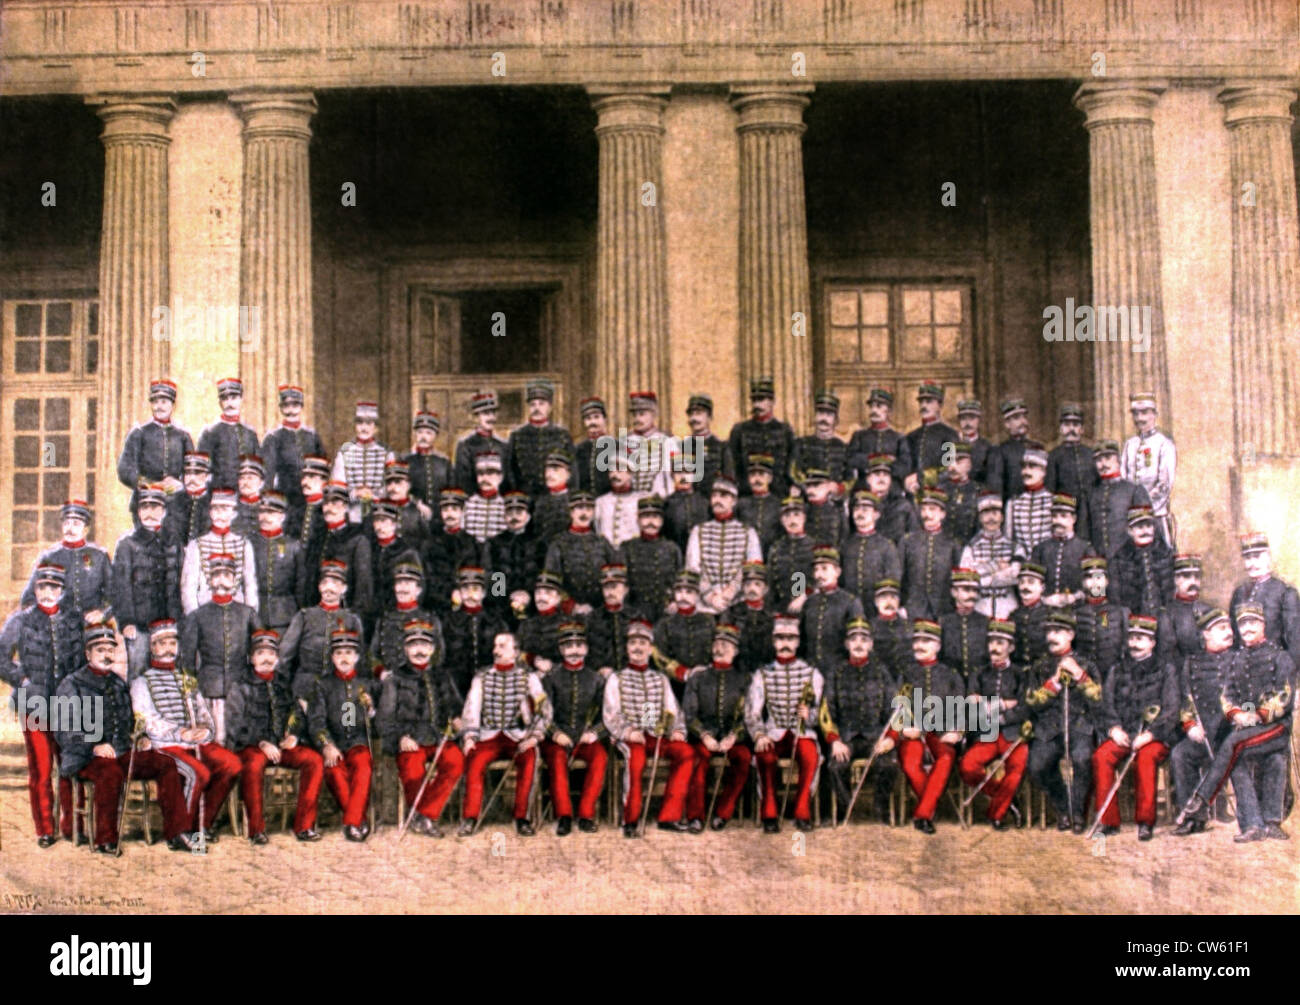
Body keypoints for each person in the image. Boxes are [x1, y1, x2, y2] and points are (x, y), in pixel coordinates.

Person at [55, 621, 191, 852]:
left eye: (110, 650)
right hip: (84, 758)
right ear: (88, 653)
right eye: (100, 650)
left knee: (166, 764)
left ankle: (176, 832)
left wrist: (139, 738)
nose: (106, 655)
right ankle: (105, 839)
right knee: (110, 772)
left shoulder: (117, 682)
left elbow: (128, 722)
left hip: (120, 752)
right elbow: (64, 732)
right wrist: (94, 747)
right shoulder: (72, 684)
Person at [1177, 604, 1294, 842]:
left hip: (1275, 727)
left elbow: (1284, 696)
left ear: (1264, 625)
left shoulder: (1281, 657)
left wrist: (1257, 715)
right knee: (1237, 754)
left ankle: (1201, 800)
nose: (1247, 628)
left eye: (1253, 622)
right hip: (1249, 730)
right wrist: (1238, 714)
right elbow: (1227, 697)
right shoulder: (1238, 660)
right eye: (1242, 623)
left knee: (1233, 743)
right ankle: (1256, 825)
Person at [132, 618, 242, 846]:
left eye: (173, 642)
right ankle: (179, 831)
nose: (169, 648)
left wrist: (204, 730)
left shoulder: (187, 680)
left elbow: (202, 713)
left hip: (193, 742)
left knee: (231, 764)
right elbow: (146, 721)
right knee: (198, 773)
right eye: (162, 643)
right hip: (163, 745)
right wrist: (181, 733)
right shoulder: (141, 683)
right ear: (152, 647)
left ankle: (202, 823)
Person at [1, 563, 82, 847]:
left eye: (54, 588)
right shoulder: (19, 621)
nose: (48, 593)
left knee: (70, 765)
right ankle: (45, 829)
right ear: (35, 590)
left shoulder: (74, 620)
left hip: (68, 705)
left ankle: (72, 825)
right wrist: (20, 679)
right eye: (42, 587)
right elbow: (1, 657)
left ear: (62, 591)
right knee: (42, 769)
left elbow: (83, 662)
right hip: (33, 703)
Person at [224, 629, 324, 843]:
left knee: (314, 760)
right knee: (253, 766)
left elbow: (296, 713)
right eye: (260, 654)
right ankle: (256, 829)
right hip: (251, 746)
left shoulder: (282, 683)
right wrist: (261, 742)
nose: (267, 659)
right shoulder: (240, 686)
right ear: (251, 659)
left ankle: (304, 826)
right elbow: (235, 725)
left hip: (280, 746)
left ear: (277, 659)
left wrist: (294, 735)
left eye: (271, 654)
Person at [1090, 614, 1178, 840]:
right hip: (1124, 734)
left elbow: (1171, 711)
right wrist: (1113, 729)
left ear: (1153, 643)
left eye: (1141, 638)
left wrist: (1150, 735)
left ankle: (1145, 821)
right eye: (1132, 638)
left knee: (1146, 758)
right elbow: (1105, 705)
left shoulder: (1166, 669)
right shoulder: (1116, 670)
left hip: (1154, 737)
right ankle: (1108, 820)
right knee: (1102, 756)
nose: (1135, 644)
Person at [603, 619, 695, 837]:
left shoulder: (660, 678)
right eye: (633, 643)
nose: (637, 648)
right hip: (628, 738)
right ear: (626, 648)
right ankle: (630, 820)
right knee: (635, 761)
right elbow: (610, 714)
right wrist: (629, 732)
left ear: (650, 648)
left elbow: (672, 710)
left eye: (642, 643)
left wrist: (677, 730)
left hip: (654, 734)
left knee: (686, 753)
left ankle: (668, 816)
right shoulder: (617, 678)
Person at [378, 619, 465, 838]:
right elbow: (385, 718)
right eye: (413, 645)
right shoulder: (394, 679)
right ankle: (423, 817)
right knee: (412, 769)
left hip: (439, 737)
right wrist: (400, 738)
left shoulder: (443, 676)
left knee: (456, 762)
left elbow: (455, 706)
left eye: (425, 645)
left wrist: (457, 720)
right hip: (409, 739)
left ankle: (424, 815)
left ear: (433, 649)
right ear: (405, 649)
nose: (419, 650)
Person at [458, 631, 547, 837]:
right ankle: (470, 817)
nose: (495, 651)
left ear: (515, 652)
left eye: (502, 646)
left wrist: (534, 736)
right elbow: (472, 708)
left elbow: (544, 709)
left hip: (518, 736)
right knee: (474, 760)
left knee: (530, 757)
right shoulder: (482, 677)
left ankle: (521, 817)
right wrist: (470, 736)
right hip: (489, 736)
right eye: (495, 646)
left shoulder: (530, 677)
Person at [1024, 610, 1104, 832]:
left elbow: (1098, 699)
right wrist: (1054, 683)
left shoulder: (1086, 664)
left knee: (1082, 759)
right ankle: (1063, 807)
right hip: (1049, 728)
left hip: (1080, 726)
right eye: (1049, 631)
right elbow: (1032, 702)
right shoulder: (1040, 666)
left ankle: (1078, 812)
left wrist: (1080, 675)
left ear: (1070, 634)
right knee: (1037, 766)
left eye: (1057, 631)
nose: (1051, 636)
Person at [746, 615, 824, 833]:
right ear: (773, 641)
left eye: (790, 638)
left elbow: (822, 715)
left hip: (803, 732)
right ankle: (769, 810)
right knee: (765, 756)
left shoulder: (812, 674)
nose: (785, 644)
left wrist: (809, 714)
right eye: (780, 638)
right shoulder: (762, 674)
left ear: (798, 642)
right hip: (774, 731)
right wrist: (760, 734)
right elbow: (752, 711)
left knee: (810, 754)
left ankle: (802, 809)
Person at [822, 617, 899, 824]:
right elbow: (826, 711)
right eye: (853, 639)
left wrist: (890, 738)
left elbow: (897, 709)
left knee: (889, 765)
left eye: (864, 639)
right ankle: (846, 809)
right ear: (846, 644)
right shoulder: (836, 673)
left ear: (871, 644)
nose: (858, 644)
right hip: (846, 737)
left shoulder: (881, 672)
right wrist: (835, 740)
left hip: (876, 736)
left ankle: (880, 808)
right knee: (836, 767)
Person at [179, 552, 262, 745]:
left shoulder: (247, 614)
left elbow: (260, 648)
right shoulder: (198, 616)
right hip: (210, 688)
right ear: (209, 580)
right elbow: (188, 659)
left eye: (227, 575)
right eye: (217, 575)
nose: (222, 581)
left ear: (235, 580)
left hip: (242, 688)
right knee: (216, 743)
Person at [1169, 609, 1237, 837]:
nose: (1229, 632)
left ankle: (1218, 806)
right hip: (1203, 731)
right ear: (1205, 634)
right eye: (1221, 628)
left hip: (1231, 731)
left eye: (1229, 627)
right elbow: (1185, 700)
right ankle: (1193, 817)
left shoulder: (1239, 659)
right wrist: (1190, 727)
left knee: (1226, 750)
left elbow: (1249, 698)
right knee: (1180, 753)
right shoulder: (1192, 662)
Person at [894, 618, 964, 834]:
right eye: (916, 640)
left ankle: (923, 813)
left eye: (926, 640)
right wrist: (905, 727)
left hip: (942, 734)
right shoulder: (906, 673)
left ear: (938, 646)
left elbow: (962, 708)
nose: (919, 645)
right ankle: (929, 808)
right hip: (914, 734)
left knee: (944, 759)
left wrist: (957, 731)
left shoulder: (951, 675)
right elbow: (898, 707)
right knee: (910, 764)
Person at [959, 619, 1030, 830]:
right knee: (968, 766)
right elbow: (971, 705)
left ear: (1011, 647)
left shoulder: (1022, 674)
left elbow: (1025, 708)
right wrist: (1003, 704)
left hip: (1013, 733)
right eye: (991, 642)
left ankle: (997, 814)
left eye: (1000, 642)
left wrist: (992, 709)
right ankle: (1006, 799)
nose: (994, 648)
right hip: (985, 733)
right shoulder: (979, 673)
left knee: (1017, 768)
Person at [539, 621, 608, 835]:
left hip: (586, 737)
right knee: (557, 760)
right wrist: (555, 733)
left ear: (586, 649)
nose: (575, 651)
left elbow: (609, 715)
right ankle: (564, 815)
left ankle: (586, 814)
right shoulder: (550, 678)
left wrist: (594, 733)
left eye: (579, 645)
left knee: (600, 757)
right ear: (561, 650)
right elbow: (541, 714)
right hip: (557, 738)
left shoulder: (597, 679)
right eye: (568, 646)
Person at [308, 628, 377, 841]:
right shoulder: (322, 685)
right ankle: (357, 820)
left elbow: (380, 720)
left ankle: (351, 821)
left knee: (363, 767)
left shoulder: (367, 685)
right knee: (335, 771)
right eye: (338, 653)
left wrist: (371, 710)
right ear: (332, 658)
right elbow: (316, 721)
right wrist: (326, 744)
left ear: (356, 657)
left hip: (357, 742)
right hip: (334, 743)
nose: (344, 658)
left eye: (349, 653)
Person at [683, 623, 751, 832]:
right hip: (704, 737)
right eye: (717, 644)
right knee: (698, 758)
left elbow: (750, 715)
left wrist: (734, 736)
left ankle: (723, 812)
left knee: (744, 758)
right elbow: (689, 714)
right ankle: (696, 816)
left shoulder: (744, 679)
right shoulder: (697, 678)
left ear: (736, 651)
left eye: (727, 645)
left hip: (732, 738)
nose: (720, 649)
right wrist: (704, 735)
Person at [112, 484, 183, 676]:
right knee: (138, 674)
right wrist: (127, 622)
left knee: (171, 675)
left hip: (170, 623)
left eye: (155, 507)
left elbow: (180, 584)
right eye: (144, 507)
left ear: (164, 511)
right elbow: (121, 588)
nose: (150, 513)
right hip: (140, 626)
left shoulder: (173, 543)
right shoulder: (127, 545)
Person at [281, 559, 366, 695]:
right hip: (306, 686)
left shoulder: (352, 620)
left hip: (339, 689)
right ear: (319, 587)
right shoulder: (304, 616)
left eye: (335, 583)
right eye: (324, 583)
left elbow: (361, 661)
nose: (329, 588)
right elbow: (284, 656)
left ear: (344, 588)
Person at [21, 499, 114, 622]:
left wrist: (103, 613)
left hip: (91, 626)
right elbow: (28, 599)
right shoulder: (49, 557)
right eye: (66, 523)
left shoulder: (100, 556)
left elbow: (116, 595)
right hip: (58, 627)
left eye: (76, 524)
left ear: (86, 529)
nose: (69, 528)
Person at [116, 378, 193, 524]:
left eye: (164, 402)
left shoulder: (183, 437)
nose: (159, 406)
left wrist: (180, 484)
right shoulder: (139, 434)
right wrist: (151, 485)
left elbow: (192, 472)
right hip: (146, 503)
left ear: (173, 405)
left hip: (176, 506)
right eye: (155, 402)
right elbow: (124, 470)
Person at [686, 476, 762, 616]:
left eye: (723, 496)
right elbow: (693, 568)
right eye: (714, 495)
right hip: (705, 605)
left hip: (738, 604)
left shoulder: (748, 532)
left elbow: (753, 568)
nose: (717, 500)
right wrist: (710, 596)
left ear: (734, 501)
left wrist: (731, 591)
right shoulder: (699, 531)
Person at [180, 488, 257, 614]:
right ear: (210, 513)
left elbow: (250, 585)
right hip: (205, 610)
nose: (219, 514)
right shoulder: (197, 545)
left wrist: (250, 616)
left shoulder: (244, 544)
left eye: (225, 509)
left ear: (234, 514)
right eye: (215, 509)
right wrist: (194, 617)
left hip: (237, 612)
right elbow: (189, 587)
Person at [442, 565, 509, 700]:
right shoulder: (448, 621)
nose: (470, 595)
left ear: (483, 593)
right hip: (456, 688)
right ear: (459, 592)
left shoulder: (495, 622)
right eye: (465, 589)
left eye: (475, 589)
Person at [1121, 391, 1176, 547]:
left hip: (1156, 515)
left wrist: (1145, 508)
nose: (1140, 419)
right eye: (1136, 414)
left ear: (1154, 414)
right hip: (1132, 518)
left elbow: (1165, 484)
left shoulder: (1164, 444)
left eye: (1145, 413)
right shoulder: (1129, 444)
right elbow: (1123, 478)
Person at [1230, 532, 1300, 654]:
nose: (1251, 564)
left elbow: (1295, 642)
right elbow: (1234, 639)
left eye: (1257, 557)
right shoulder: (1239, 593)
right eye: (1247, 558)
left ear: (1268, 557)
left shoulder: (1285, 593)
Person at [248, 491, 307, 636]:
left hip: (285, 616)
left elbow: (301, 584)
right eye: (262, 512)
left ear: (282, 516)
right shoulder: (249, 544)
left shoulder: (293, 546)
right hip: (255, 613)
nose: (265, 517)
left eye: (271, 513)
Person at [899, 488, 962, 621]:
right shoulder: (908, 541)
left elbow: (957, 580)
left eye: (932, 509)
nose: (927, 514)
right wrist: (902, 605)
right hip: (913, 609)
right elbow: (900, 576)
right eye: (923, 509)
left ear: (943, 514)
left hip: (943, 610)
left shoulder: (952, 544)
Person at [261, 384, 326, 512]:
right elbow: (268, 473)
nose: (291, 410)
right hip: (285, 496)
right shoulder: (273, 437)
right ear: (281, 408)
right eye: (286, 406)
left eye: (295, 405)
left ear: (301, 407)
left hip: (310, 496)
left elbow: (323, 468)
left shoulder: (312, 436)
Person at [961, 491, 1025, 619]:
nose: (991, 519)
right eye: (986, 514)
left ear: (1002, 517)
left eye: (995, 513)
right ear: (980, 518)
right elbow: (967, 579)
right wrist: (997, 568)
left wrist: (982, 572)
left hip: (1008, 607)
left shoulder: (1015, 548)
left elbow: (1017, 576)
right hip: (981, 607)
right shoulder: (971, 548)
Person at [800, 546, 865, 672]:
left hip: (839, 671)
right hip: (810, 670)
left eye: (824, 569)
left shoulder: (850, 602)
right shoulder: (810, 602)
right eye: (816, 570)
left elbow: (858, 641)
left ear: (837, 572)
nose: (819, 575)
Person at [729, 376, 796, 498]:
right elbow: (734, 465)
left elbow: (791, 464)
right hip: (747, 494)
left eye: (761, 400)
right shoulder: (740, 430)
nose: (757, 405)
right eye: (754, 400)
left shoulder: (785, 431)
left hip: (779, 494)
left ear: (772, 401)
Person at [1083, 439, 1150, 559]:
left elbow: (1146, 528)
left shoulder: (1134, 490)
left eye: (1108, 458)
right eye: (1098, 460)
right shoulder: (1090, 494)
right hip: (1099, 561)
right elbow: (1083, 531)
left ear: (1118, 461)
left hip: (1129, 559)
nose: (1103, 464)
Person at [486, 491, 545, 624]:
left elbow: (543, 573)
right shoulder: (494, 543)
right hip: (502, 607)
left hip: (533, 605)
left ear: (528, 517)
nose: (514, 517)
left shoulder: (538, 543)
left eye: (519, 513)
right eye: (510, 513)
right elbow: (492, 573)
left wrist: (528, 594)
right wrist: (508, 597)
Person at [507, 378, 572, 498]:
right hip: (524, 500)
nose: (537, 408)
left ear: (550, 407)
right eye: (533, 404)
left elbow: (572, 472)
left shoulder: (562, 435)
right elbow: (510, 472)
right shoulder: (517, 436)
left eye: (542, 404)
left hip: (555, 498)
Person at [841, 489, 902, 614]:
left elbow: (893, 579)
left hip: (876, 609)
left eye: (865, 510)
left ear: (876, 514)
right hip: (849, 609)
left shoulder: (886, 546)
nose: (859, 514)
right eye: (856, 509)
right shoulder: (846, 545)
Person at [332, 400, 392, 524]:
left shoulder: (386, 452)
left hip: (379, 512)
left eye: (369, 423)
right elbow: (337, 484)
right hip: (351, 512)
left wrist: (374, 494)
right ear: (355, 425)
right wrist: (355, 493)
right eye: (360, 423)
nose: (364, 428)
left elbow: (392, 485)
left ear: (375, 427)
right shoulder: (346, 450)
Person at [196, 376, 259, 493]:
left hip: (246, 494)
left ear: (241, 399)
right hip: (219, 494)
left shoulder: (250, 433)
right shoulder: (210, 433)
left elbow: (259, 467)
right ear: (220, 402)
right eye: (225, 399)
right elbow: (202, 471)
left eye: (234, 398)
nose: (230, 403)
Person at [622, 495, 681, 617]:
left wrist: (675, 602)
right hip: (635, 613)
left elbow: (679, 581)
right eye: (646, 517)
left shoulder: (672, 549)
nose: (651, 522)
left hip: (666, 613)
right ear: (638, 520)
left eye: (655, 517)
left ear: (662, 521)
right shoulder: (627, 548)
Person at [1110, 504, 1174, 617]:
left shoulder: (1165, 554)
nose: (1145, 531)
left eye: (1149, 526)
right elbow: (1115, 599)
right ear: (1130, 531)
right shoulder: (1120, 559)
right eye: (1140, 527)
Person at [1072, 557, 1129, 683]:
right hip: (1084, 677)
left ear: (1107, 581)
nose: (1094, 583)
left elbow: (1126, 648)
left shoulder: (1121, 612)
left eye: (1099, 577)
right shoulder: (1075, 613)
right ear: (1082, 582)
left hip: (1114, 676)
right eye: (1089, 578)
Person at [1031, 493, 1093, 608]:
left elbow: (1097, 590)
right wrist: (1044, 599)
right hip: (1046, 611)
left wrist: (1075, 597)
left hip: (1077, 611)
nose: (1058, 521)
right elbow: (1031, 584)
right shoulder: (1040, 549)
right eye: (1055, 516)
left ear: (1073, 519)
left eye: (1063, 516)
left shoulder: (1086, 549)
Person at [846, 388, 912, 490]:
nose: (874, 410)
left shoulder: (899, 438)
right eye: (871, 406)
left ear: (888, 411)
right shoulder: (859, 436)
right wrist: (877, 459)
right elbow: (850, 460)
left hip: (891, 490)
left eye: (879, 406)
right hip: (864, 489)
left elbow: (905, 467)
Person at [455, 389, 511, 495]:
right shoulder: (466, 446)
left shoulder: (504, 446)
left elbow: (508, 480)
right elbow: (463, 482)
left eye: (493, 413)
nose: (491, 417)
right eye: (486, 413)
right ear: (476, 418)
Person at [791, 390, 849, 491]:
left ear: (836, 420)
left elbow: (850, 478)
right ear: (814, 417)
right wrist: (808, 486)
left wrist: (839, 488)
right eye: (820, 413)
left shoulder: (843, 447)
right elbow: (793, 473)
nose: (824, 418)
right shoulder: (801, 444)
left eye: (829, 414)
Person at [939, 568, 989, 684]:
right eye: (966, 590)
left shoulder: (985, 622)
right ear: (954, 592)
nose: (972, 595)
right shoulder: (944, 622)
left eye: (975, 591)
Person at [766, 496, 815, 613]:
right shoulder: (776, 548)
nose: (792, 520)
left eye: (796, 515)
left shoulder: (814, 546)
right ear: (782, 521)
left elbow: (820, 579)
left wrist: (804, 596)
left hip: (810, 606)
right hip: (781, 608)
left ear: (804, 517)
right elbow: (770, 581)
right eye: (787, 516)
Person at [728, 561, 777, 674]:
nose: (752, 589)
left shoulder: (772, 614)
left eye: (757, 584)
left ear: (765, 589)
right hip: (738, 670)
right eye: (748, 584)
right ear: (742, 588)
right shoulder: (732, 612)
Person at [1005, 445, 1053, 553]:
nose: (1026, 472)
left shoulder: (1053, 501)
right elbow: (1009, 541)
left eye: (1032, 467)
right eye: (1024, 467)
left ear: (1044, 471)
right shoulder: (1013, 503)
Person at [403, 410, 452, 516]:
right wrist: (417, 504)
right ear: (415, 434)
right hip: (413, 515)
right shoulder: (405, 461)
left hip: (440, 516)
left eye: (428, 433)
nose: (423, 437)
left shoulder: (444, 462)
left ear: (435, 436)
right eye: (420, 432)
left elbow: (451, 491)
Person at [683, 392, 733, 497]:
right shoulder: (682, 447)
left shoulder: (721, 448)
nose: (693, 419)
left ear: (710, 417)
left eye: (699, 413)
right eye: (691, 414)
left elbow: (729, 481)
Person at [1045, 402, 1096, 502]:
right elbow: (1050, 488)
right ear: (1061, 429)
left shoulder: (1091, 454)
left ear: (1082, 429)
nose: (1071, 429)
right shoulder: (1053, 455)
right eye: (1067, 424)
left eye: (1075, 425)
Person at [987, 396, 1031, 503]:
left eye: (1024, 417)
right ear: (1007, 424)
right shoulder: (999, 452)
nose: (1023, 422)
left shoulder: (1037, 448)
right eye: (1017, 418)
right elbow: (996, 489)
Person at [735, 453, 783, 552]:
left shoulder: (779, 504)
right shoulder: (740, 504)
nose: (756, 479)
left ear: (770, 478)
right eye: (752, 475)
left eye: (761, 474)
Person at [167, 451, 213, 545]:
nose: (191, 479)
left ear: (208, 476)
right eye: (188, 473)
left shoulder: (213, 501)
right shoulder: (173, 501)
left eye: (197, 473)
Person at [595, 461, 644, 549]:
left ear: (630, 474)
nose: (614, 475)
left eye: (619, 471)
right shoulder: (601, 502)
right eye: (611, 471)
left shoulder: (640, 500)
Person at [464, 450, 508, 544]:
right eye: (480, 474)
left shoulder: (506, 505)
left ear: (500, 477)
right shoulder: (467, 505)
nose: (484, 479)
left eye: (490, 474)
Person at [573, 396, 614, 498]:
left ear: (605, 419)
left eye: (596, 417)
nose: (592, 422)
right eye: (588, 418)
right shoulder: (578, 450)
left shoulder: (616, 446)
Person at [954, 398, 993, 486]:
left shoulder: (987, 447)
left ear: (978, 420)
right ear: (959, 421)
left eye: (971, 418)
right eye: (963, 419)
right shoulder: (950, 446)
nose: (967, 423)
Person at [233, 451, 267, 536]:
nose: (245, 482)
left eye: (250, 478)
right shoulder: (231, 506)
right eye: (242, 478)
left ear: (261, 482)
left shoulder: (268, 507)